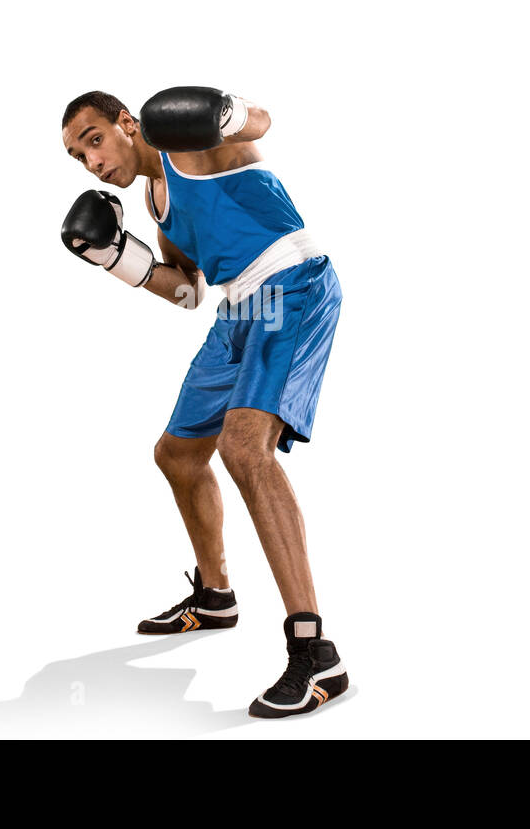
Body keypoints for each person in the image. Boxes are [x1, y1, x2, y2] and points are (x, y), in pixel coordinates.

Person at [59, 87, 347, 719]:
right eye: (79, 157)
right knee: (178, 454)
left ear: (127, 124)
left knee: (245, 450)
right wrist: (113, 258)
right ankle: (215, 596)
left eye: (95, 140)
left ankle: (315, 650)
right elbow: (187, 292)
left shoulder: (185, 143)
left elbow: (262, 124)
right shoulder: (156, 201)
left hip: (290, 286)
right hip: (237, 310)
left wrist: (228, 112)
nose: (92, 162)